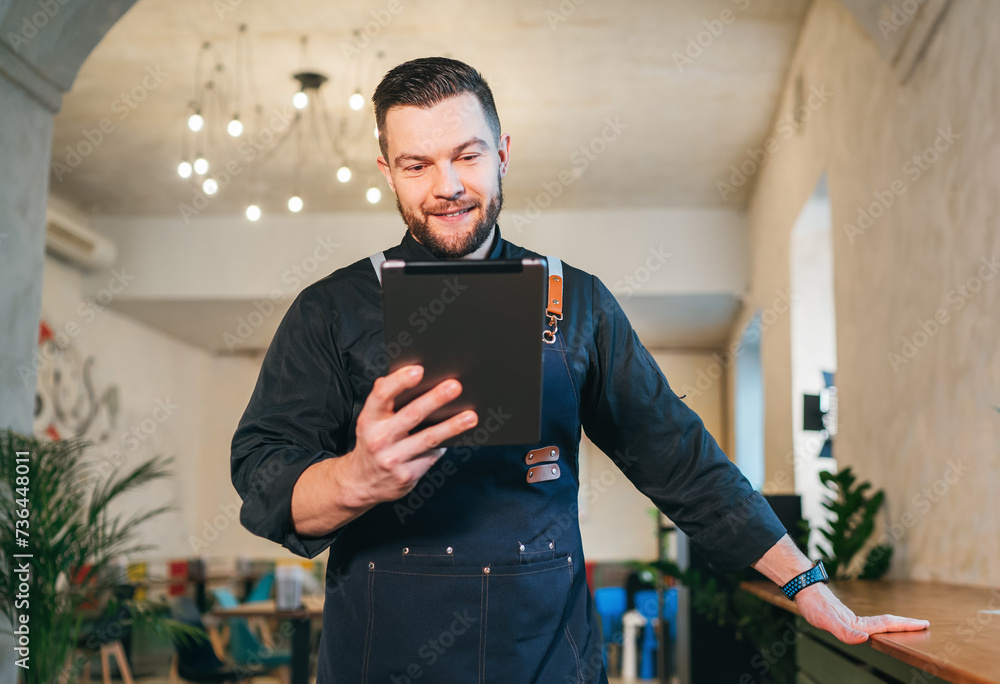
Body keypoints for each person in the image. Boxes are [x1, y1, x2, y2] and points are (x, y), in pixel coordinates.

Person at [231, 57, 928, 683]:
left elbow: (680, 460)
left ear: (502, 154)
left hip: (546, 657)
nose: (446, 186)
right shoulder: (329, 310)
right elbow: (261, 475)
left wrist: (808, 584)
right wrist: (357, 477)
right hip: (381, 657)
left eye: (466, 156)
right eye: (416, 165)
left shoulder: (580, 301)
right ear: (387, 171)